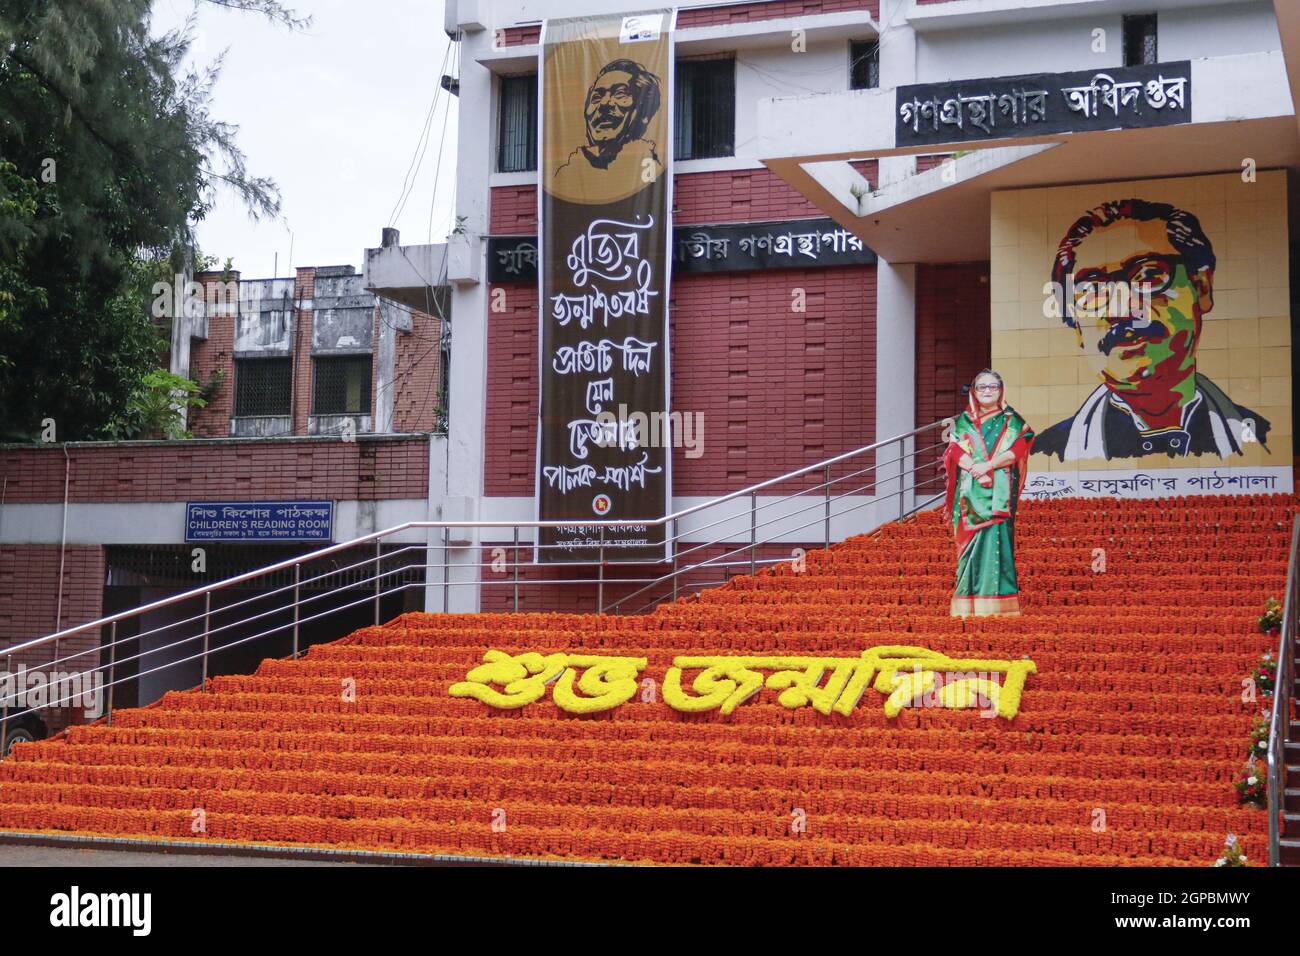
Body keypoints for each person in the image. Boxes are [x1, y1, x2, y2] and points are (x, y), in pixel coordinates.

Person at [1034, 198, 1269, 461]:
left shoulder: (1262, 437)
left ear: (1202, 288)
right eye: (1093, 290)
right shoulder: (1047, 452)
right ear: (1076, 326)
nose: (1122, 309)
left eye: (1148, 277)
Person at [943, 370, 1035, 617]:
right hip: (969, 495)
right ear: (974, 390)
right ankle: (967, 604)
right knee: (968, 548)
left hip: (999, 495)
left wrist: (988, 467)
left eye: (992, 387)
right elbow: (954, 450)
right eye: (982, 387)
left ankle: (999, 606)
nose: (987, 391)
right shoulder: (963, 421)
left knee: (997, 545)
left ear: (1000, 390)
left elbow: (1019, 447)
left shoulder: (1011, 421)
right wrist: (976, 470)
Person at [553, 59, 664, 191]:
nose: (604, 103)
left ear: (644, 113)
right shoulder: (565, 177)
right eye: (596, 97)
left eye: (619, 93)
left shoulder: (654, 167)